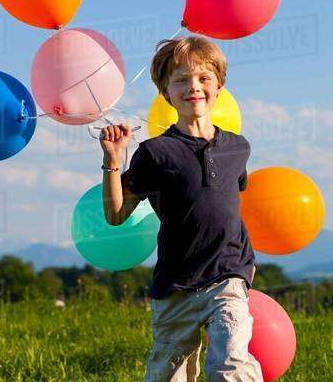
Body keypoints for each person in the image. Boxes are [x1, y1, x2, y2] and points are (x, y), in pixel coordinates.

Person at [99, 36, 263, 382]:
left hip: (227, 278)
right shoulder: (155, 153)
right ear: (166, 92)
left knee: (232, 366)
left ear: (219, 85)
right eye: (181, 80)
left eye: (204, 78)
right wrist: (113, 160)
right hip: (176, 286)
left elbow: (229, 207)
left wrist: (246, 267)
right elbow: (116, 214)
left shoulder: (238, 148)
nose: (194, 87)